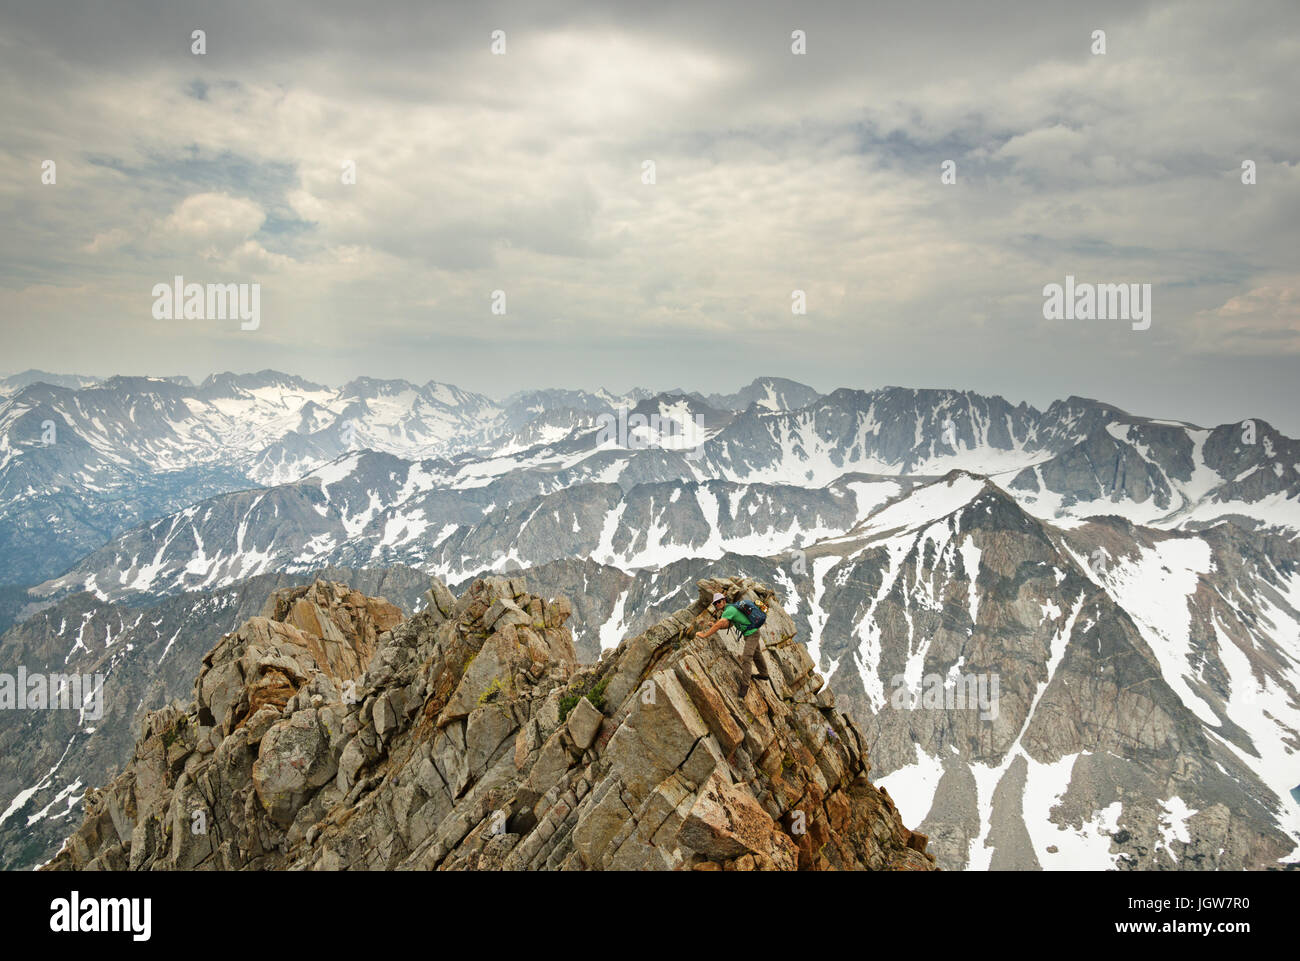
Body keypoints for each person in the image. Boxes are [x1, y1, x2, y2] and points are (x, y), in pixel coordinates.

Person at [695, 592, 767, 699]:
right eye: (715, 603)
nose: (717, 604)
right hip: (751, 633)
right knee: (757, 654)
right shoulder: (731, 609)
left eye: (719, 601)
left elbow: (720, 623)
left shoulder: (729, 610)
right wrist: (714, 625)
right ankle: (764, 674)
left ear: (724, 601)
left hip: (752, 634)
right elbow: (729, 625)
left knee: (746, 657)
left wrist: (704, 635)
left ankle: (745, 685)